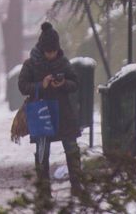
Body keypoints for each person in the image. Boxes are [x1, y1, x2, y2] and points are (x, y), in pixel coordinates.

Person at [17, 22, 85, 202]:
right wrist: (41, 85)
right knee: (42, 151)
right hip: (42, 113)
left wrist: (63, 84)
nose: (51, 55)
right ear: (42, 48)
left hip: (64, 113)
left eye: (54, 51)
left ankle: (77, 185)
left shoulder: (63, 62)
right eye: (48, 51)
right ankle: (44, 190)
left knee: (71, 147)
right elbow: (22, 86)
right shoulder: (31, 64)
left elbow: (75, 83)